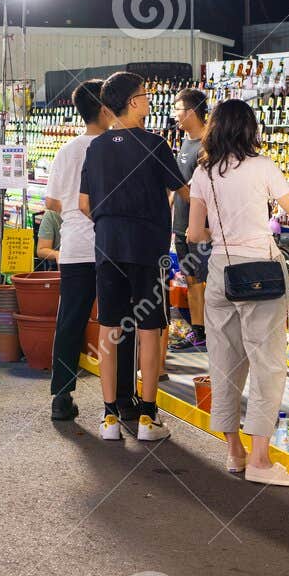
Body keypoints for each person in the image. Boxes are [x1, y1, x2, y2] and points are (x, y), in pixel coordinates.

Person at [187, 99, 289, 484]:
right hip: (260, 274)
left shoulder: (204, 172)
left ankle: (234, 452)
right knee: (267, 365)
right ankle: (260, 460)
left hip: (221, 271)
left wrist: (221, 234)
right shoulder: (263, 166)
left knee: (225, 363)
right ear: (249, 129)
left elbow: (193, 234)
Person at [79, 71, 185, 442]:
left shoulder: (96, 147)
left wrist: (112, 223)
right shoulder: (155, 145)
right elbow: (184, 190)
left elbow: (83, 204)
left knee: (109, 327)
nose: (149, 99)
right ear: (133, 101)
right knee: (149, 329)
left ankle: (109, 418)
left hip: (108, 245)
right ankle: (147, 418)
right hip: (147, 246)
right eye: (145, 94)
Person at [44, 79, 107, 422]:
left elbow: (51, 202)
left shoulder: (67, 150)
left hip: (74, 247)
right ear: (105, 108)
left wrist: (71, 203)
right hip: (111, 249)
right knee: (115, 322)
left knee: (70, 321)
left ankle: (62, 395)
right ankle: (120, 398)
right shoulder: (116, 145)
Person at [169, 88, 210, 354]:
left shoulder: (209, 144)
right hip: (180, 225)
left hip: (199, 229)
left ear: (193, 111)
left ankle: (209, 331)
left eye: (179, 110)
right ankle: (199, 333)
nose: (175, 116)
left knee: (203, 281)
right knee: (192, 280)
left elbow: (204, 189)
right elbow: (177, 184)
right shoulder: (185, 142)